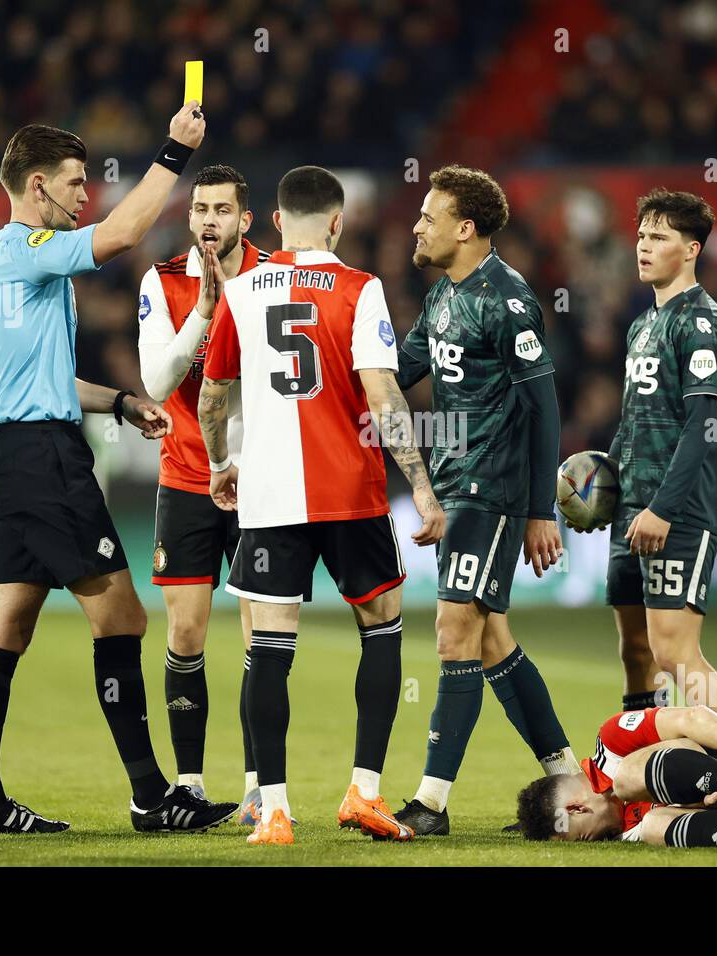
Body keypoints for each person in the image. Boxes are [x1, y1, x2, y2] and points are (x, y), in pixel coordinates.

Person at [0, 103, 236, 835]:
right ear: (39, 185)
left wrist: (117, 401)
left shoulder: (6, 266)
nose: (88, 197)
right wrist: (172, 153)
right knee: (123, 618)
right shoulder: (26, 246)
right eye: (78, 184)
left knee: (5, 627)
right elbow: (121, 236)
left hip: (9, 452)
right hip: (43, 461)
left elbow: (36, 377)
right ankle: (152, 796)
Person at [198, 165, 446, 845]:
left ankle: (272, 809)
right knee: (383, 626)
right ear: (338, 223)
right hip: (350, 491)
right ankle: (364, 793)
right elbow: (384, 397)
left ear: (276, 222)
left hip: (270, 495)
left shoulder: (241, 291)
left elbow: (212, 396)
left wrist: (222, 467)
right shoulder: (361, 289)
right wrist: (421, 486)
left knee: (269, 648)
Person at [390, 165, 577, 838]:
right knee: (491, 641)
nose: (417, 225)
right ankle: (572, 784)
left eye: (429, 217)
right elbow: (393, 374)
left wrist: (538, 510)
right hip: (455, 485)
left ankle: (432, 803)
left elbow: (544, 410)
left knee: (453, 632)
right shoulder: (443, 297)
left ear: (464, 229)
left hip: (489, 489)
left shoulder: (508, 300)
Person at [137, 164, 271, 825]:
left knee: (259, 637)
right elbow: (157, 382)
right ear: (189, 219)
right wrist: (205, 313)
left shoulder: (275, 279)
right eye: (200, 210)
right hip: (187, 478)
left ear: (245, 220)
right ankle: (188, 784)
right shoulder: (161, 281)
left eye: (223, 209)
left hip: (261, 483)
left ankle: (257, 788)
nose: (209, 220)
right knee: (186, 631)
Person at [576, 188, 717, 715]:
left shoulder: (701, 325)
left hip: (679, 512)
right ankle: (641, 771)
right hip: (633, 513)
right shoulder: (642, 326)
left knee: (676, 652)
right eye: (642, 235)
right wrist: (600, 479)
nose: (644, 246)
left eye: (660, 237)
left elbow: (701, 428)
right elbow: (632, 424)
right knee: (637, 652)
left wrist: (663, 509)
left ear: (691, 250)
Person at [514, 707, 717, 849]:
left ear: (575, 809)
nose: (592, 843)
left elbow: (695, 718)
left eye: (581, 838)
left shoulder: (611, 744)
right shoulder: (625, 835)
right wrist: (705, 799)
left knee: (626, 777)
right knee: (655, 826)